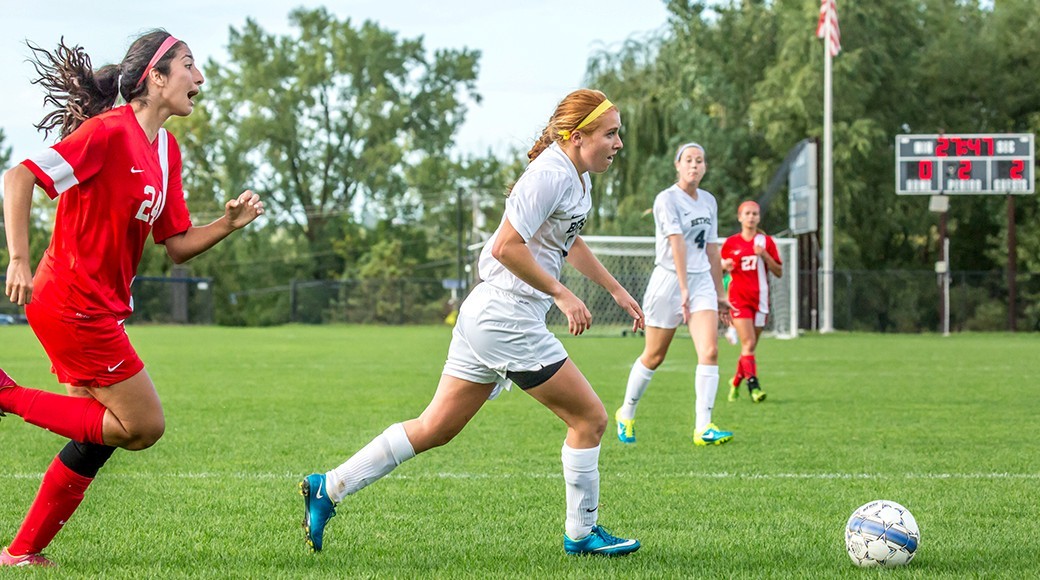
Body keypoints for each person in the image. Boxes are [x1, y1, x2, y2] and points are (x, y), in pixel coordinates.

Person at [299, 89, 644, 557]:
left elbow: (569, 240)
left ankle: (330, 487)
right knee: (590, 418)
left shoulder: (576, 177)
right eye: (610, 133)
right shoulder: (548, 174)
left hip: (490, 315)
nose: (618, 142)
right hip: (506, 317)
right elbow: (505, 247)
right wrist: (561, 294)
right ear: (578, 135)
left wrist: (615, 289)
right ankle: (581, 534)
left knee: (435, 427)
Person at [1, 31, 264, 567]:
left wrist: (228, 224)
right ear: (156, 78)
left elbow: (177, 245)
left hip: (93, 306)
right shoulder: (108, 133)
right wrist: (20, 258)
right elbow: (19, 178)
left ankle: (22, 554)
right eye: (189, 66)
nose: (200, 78)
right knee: (143, 427)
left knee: (94, 438)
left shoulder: (167, 151)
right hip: (70, 301)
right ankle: (3, 393)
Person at [615, 142, 733, 447]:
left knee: (710, 351)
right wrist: (682, 289)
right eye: (689, 160)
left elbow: (711, 248)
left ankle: (703, 427)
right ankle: (626, 413)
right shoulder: (666, 199)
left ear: (705, 167)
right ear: (677, 165)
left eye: (700, 161)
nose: (694, 165)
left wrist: (720, 293)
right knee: (655, 355)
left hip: (702, 281)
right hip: (668, 281)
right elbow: (677, 243)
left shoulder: (708, 201)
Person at [720, 200, 783, 403]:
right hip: (738, 299)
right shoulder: (731, 243)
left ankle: (735, 382)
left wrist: (764, 256)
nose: (751, 217)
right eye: (747, 213)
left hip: (761, 299)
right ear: (740, 217)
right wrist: (723, 266)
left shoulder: (766, 243)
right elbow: (716, 270)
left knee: (750, 347)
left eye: (755, 214)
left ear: (759, 217)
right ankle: (754, 387)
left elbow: (779, 271)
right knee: (747, 343)